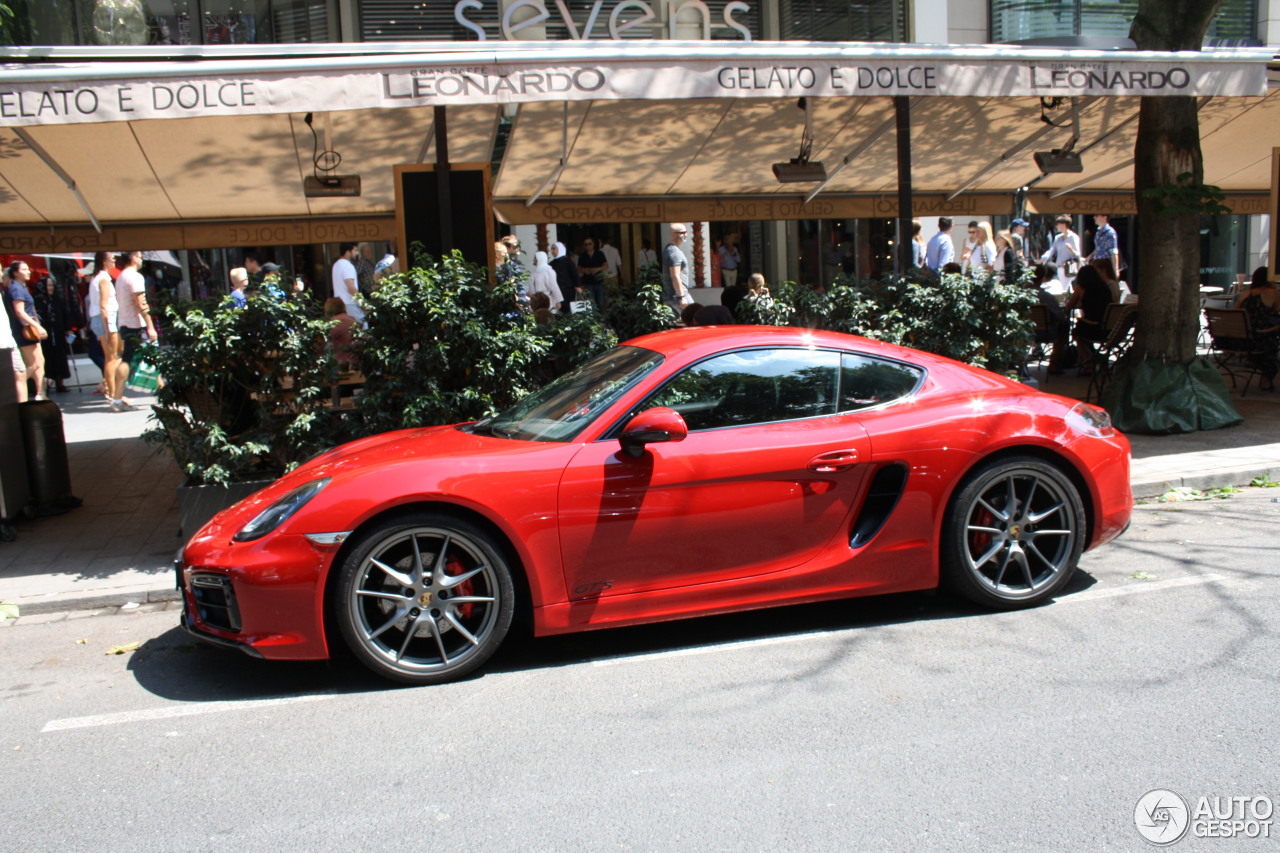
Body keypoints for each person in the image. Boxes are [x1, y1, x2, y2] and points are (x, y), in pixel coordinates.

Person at [115, 251, 156, 410]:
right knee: (128, 359)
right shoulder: (135, 277)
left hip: (126, 322)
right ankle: (117, 398)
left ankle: (163, 389)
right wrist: (150, 326)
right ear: (133, 258)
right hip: (134, 324)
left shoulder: (121, 277)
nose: (142, 259)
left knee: (148, 357)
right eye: (139, 256)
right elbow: (141, 302)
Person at [1232, 266, 1280, 390]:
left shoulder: (1243, 295)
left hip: (1241, 341)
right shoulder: (1272, 293)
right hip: (1260, 340)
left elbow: (1234, 314)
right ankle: (1265, 380)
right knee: (1273, 335)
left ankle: (1253, 360)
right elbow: (1277, 309)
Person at [7, 260, 47, 401]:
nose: (28, 271)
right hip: (25, 330)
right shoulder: (16, 288)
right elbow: (20, 312)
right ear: (16, 272)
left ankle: (41, 392)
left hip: (29, 329)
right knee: (34, 363)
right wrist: (37, 326)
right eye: (24, 269)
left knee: (40, 361)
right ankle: (12, 385)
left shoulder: (22, 287)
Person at [87, 251, 120, 405]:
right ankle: (113, 394)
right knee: (111, 358)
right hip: (106, 319)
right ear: (105, 261)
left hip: (101, 319)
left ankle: (111, 391)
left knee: (111, 358)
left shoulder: (97, 278)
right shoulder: (104, 279)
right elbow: (104, 305)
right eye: (112, 259)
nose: (115, 261)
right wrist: (107, 328)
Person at [1066, 263, 1113, 372]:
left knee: (1076, 333)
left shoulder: (1082, 288)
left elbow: (1069, 306)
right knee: (1083, 327)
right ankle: (1093, 358)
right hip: (1107, 329)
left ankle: (1088, 362)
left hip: (1091, 327)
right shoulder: (1105, 288)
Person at [33, 275, 72, 393]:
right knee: (46, 357)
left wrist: (68, 328)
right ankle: (46, 383)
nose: (51, 288)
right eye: (48, 285)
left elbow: (65, 314)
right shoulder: (37, 300)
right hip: (45, 334)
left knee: (60, 357)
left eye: (52, 285)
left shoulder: (57, 299)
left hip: (58, 333)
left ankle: (60, 383)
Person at [1031, 263, 1067, 374]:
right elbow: (1059, 316)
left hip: (1024, 332)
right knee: (1064, 326)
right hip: (1044, 333)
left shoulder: (1019, 295)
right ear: (1042, 278)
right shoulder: (1045, 296)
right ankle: (1054, 363)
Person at [1040, 215, 1081, 295]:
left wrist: (1070, 249)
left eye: (1057, 224)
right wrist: (1043, 259)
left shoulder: (1073, 237)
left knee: (1065, 289)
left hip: (1068, 268)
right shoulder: (1058, 237)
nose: (1056, 226)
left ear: (1063, 225)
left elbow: (1078, 254)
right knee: (1064, 289)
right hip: (1059, 267)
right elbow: (1052, 250)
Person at [323, 297, 359, 371]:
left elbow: (324, 343)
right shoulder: (352, 319)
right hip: (358, 361)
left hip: (345, 364)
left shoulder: (335, 322)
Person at [332, 242, 364, 324]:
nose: (357, 253)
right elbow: (351, 288)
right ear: (347, 252)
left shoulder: (336, 265)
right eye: (355, 250)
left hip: (339, 305)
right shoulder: (347, 266)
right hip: (350, 304)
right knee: (363, 328)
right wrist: (363, 303)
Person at [662, 224, 692, 310]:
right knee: (695, 318)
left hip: (672, 296)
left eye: (685, 232)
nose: (686, 234)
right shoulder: (674, 252)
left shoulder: (670, 250)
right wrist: (681, 297)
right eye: (682, 232)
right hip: (677, 297)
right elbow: (675, 276)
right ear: (673, 235)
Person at [576, 237, 607, 310]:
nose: (588, 246)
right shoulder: (582, 256)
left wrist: (596, 269)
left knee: (601, 303)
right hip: (588, 282)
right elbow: (578, 268)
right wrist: (584, 270)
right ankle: (594, 319)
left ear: (593, 244)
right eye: (586, 244)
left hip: (599, 282)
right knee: (591, 303)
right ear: (584, 246)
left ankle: (601, 318)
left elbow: (606, 266)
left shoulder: (599, 254)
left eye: (590, 243)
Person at [548, 241, 579, 312]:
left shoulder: (568, 261)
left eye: (554, 249)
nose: (552, 251)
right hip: (558, 291)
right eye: (551, 249)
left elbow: (574, 274)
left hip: (568, 291)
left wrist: (578, 286)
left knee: (568, 310)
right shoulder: (551, 263)